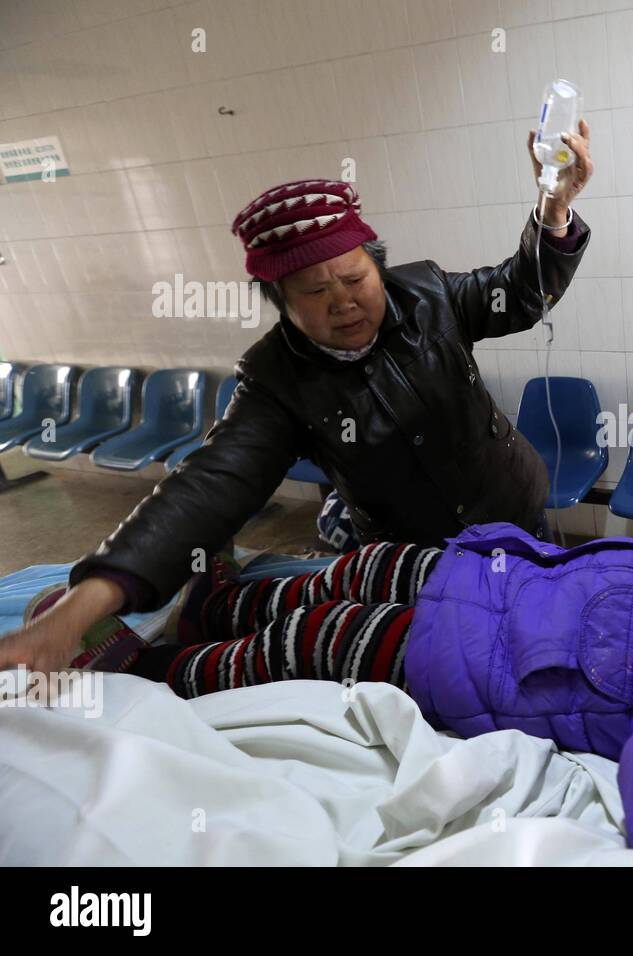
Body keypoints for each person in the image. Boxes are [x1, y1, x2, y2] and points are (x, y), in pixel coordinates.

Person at [42, 479, 633, 850]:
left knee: (292, 649)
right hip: (481, 566)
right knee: (316, 580)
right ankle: (219, 595)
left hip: (451, 659)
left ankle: (165, 667)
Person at [0, 125, 594, 677]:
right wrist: (74, 616)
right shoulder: (276, 380)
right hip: (410, 556)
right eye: (315, 291)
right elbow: (208, 488)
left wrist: (554, 207)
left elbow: (518, 292)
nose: (344, 302)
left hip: (514, 509)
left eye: (356, 279)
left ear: (377, 266)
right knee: (424, 653)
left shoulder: (430, 294)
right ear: (279, 301)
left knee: (546, 628)